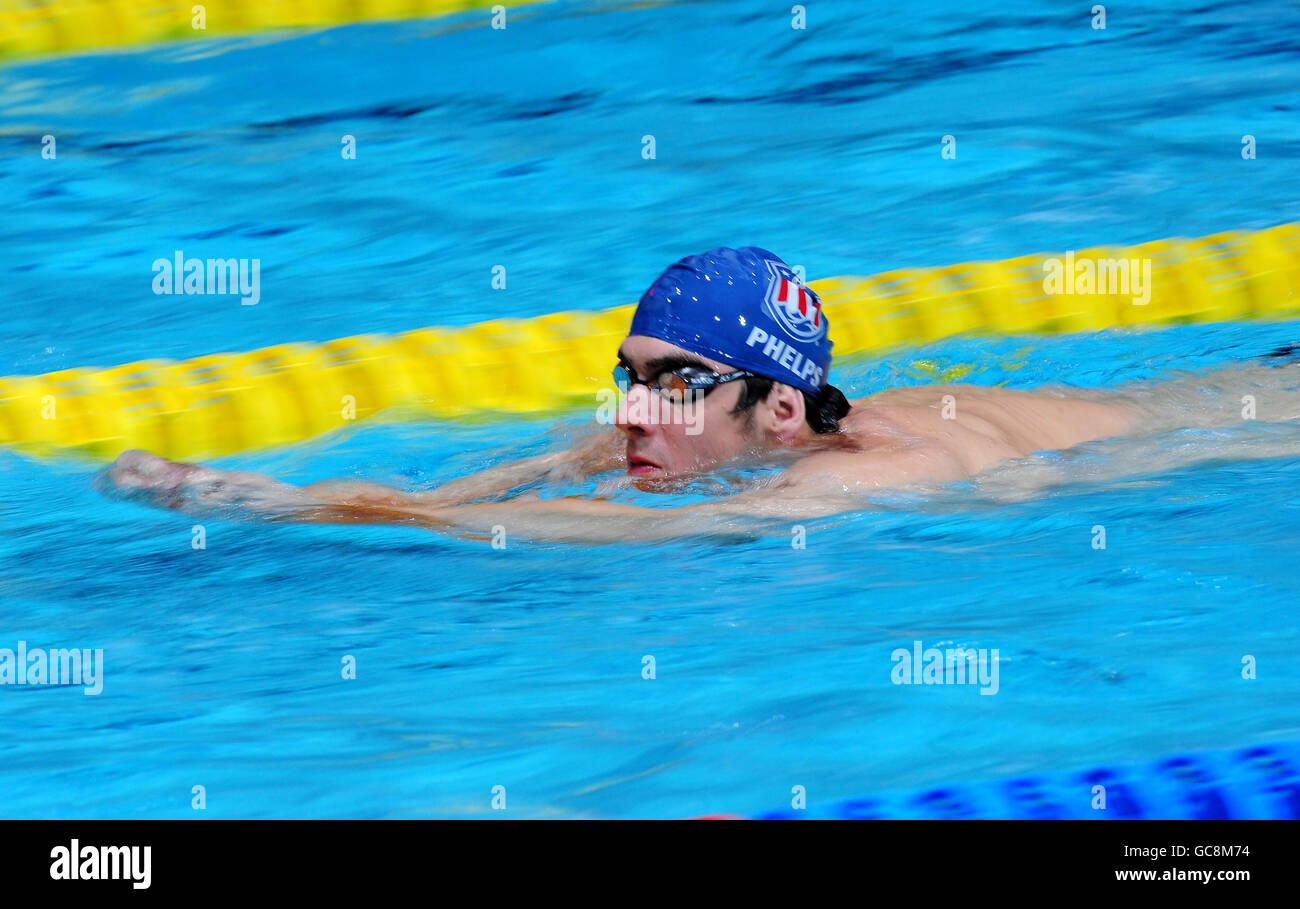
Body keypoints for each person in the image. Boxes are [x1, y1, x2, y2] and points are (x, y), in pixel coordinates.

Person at [103, 247, 1196, 543]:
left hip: (1211, 429)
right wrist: (275, 494)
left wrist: (329, 516)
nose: (632, 411)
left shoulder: (867, 480)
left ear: (779, 411)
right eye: (629, 377)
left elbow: (625, 534)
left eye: (676, 384)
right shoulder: (684, 431)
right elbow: (483, 487)